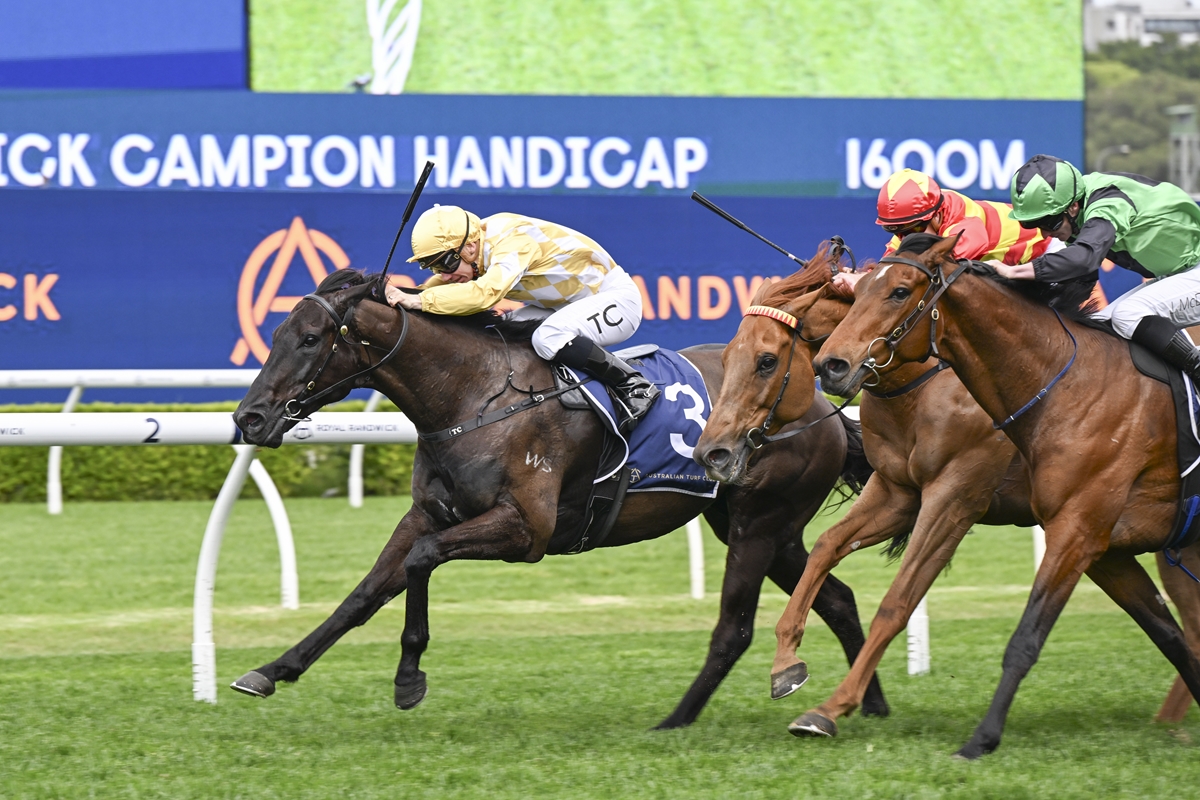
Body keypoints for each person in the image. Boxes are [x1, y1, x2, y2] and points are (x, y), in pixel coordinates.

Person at [384, 205, 659, 433]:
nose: (443, 274)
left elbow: (484, 295)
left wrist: (419, 300)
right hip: (564, 305)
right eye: (433, 266)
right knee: (498, 333)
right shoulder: (477, 246)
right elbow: (436, 287)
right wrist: (401, 296)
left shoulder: (512, 239)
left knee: (548, 337)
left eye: (444, 263)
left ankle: (633, 384)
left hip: (615, 299)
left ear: (470, 246)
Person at [998, 154, 1200, 382]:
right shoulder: (1077, 210)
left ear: (1072, 207)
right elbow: (1082, 279)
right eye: (1034, 224)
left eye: (1049, 223)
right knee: (1101, 329)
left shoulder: (1108, 201)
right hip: (1180, 273)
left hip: (1194, 269)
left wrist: (1013, 271)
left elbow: (1083, 258)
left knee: (1129, 314)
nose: (1045, 233)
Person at [834, 168, 1058, 294]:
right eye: (898, 232)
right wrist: (861, 277)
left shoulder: (965, 224)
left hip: (1051, 251)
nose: (906, 238)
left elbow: (923, 273)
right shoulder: (919, 218)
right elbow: (891, 266)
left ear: (938, 214)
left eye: (915, 229)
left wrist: (865, 284)